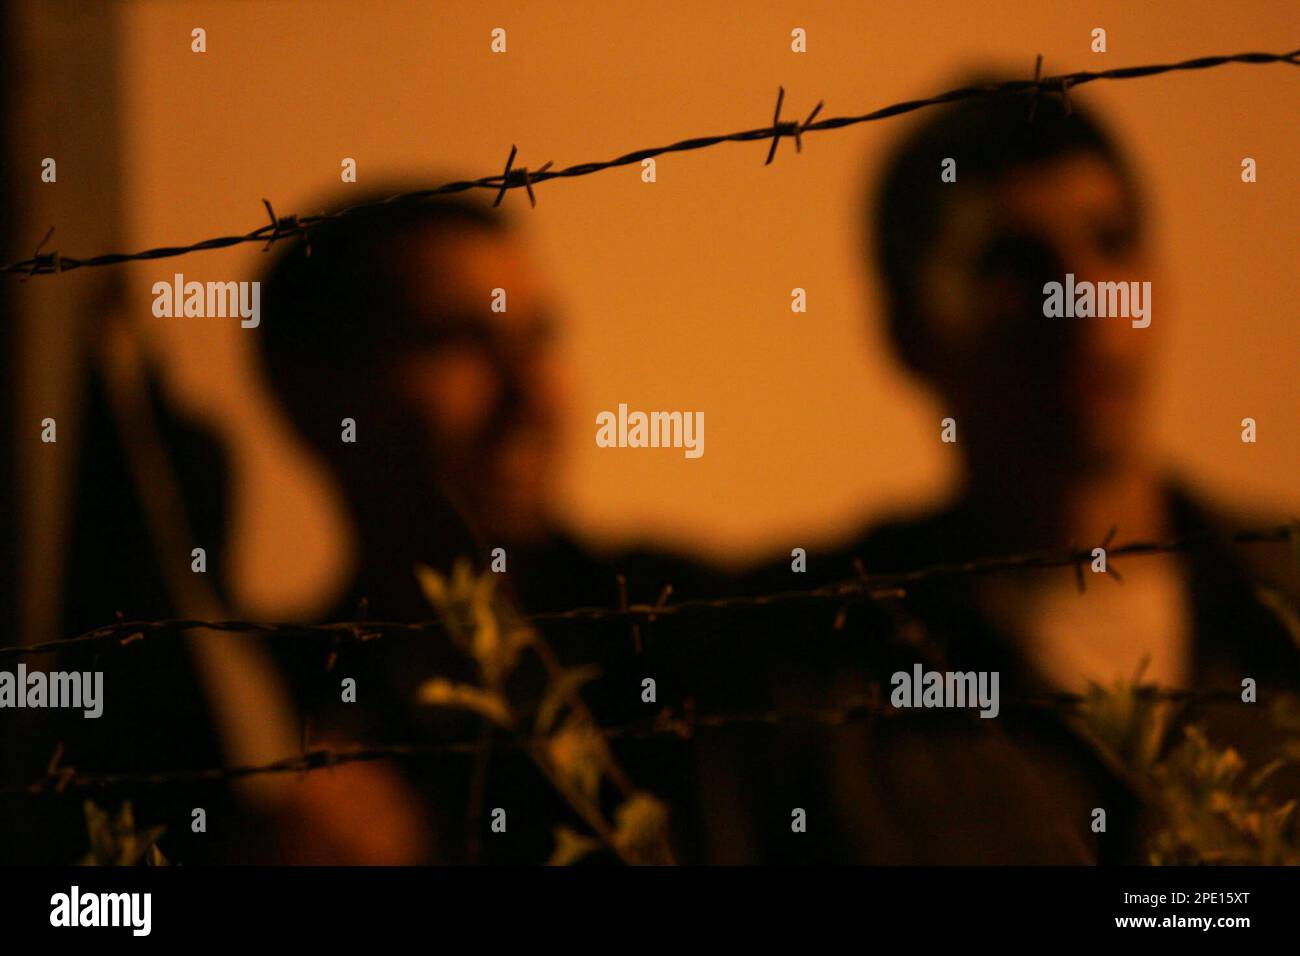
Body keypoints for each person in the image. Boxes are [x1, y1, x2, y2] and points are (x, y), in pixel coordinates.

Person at [708, 81, 1300, 864]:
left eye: (1111, 240)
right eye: (1015, 264)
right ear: (908, 329)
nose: (1083, 297)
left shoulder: (1278, 608)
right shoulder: (815, 676)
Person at [252, 189, 723, 863]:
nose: (531, 396)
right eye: (459, 341)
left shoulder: (690, 632)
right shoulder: (277, 722)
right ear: (313, 395)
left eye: (540, 338)